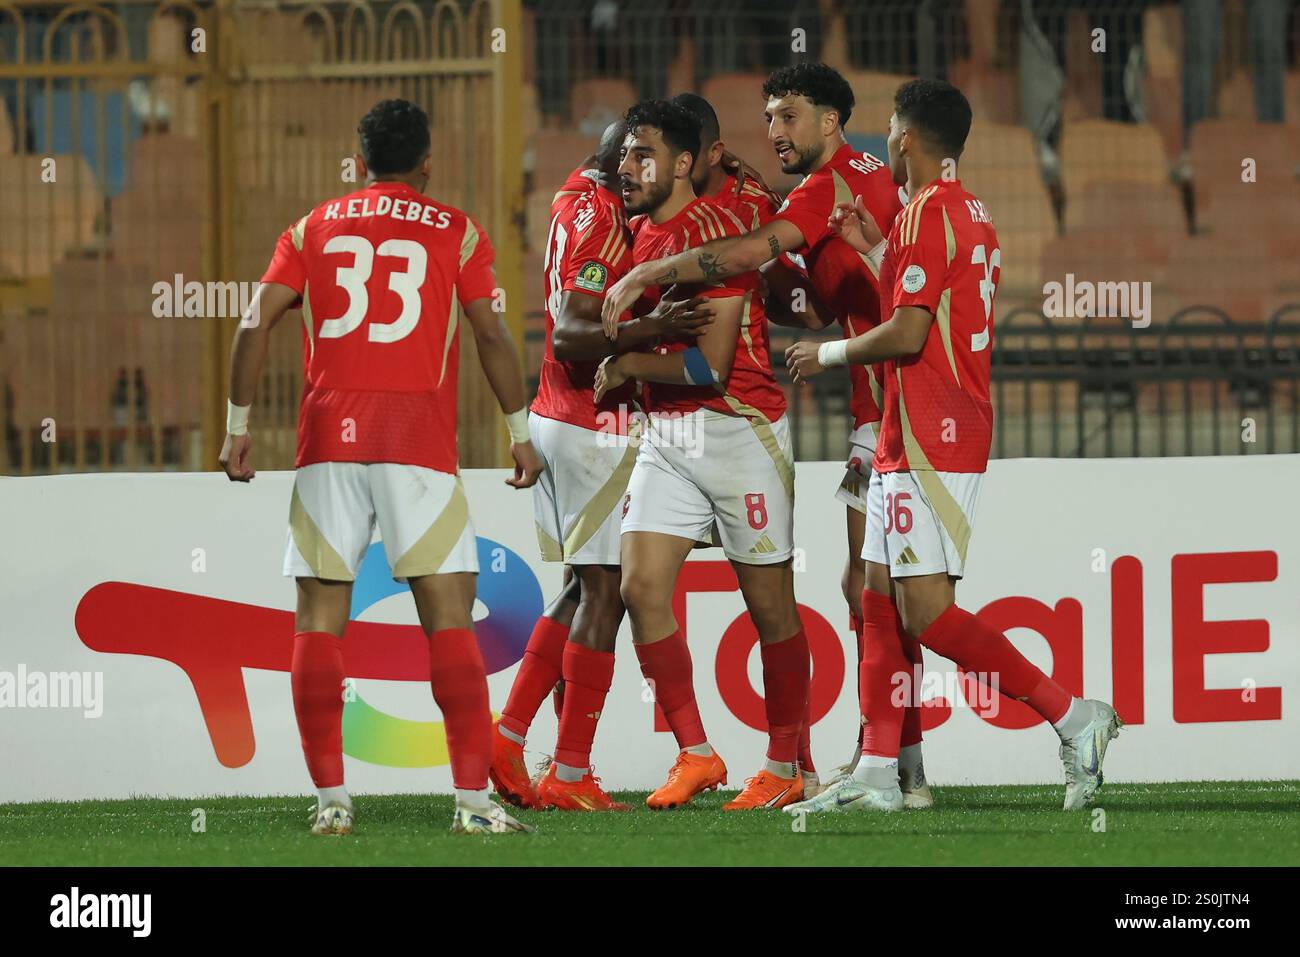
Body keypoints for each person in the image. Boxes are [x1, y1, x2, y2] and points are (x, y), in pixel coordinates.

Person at [783, 78, 1121, 814]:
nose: (885, 139)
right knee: (876, 597)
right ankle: (879, 772)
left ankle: (1073, 716)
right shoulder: (968, 211)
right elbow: (931, 302)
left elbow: (908, 332)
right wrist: (875, 245)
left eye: (890, 128)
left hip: (931, 432)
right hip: (917, 428)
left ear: (905, 138)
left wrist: (827, 354)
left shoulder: (924, 212)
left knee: (927, 615)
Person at [219, 99, 540, 836]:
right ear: (427, 161)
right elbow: (491, 333)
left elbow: (252, 321)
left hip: (327, 440)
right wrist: (519, 433)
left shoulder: (311, 227)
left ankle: (332, 803)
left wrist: (238, 428)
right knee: (449, 617)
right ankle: (472, 805)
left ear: (359, 161)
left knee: (318, 621)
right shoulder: (457, 231)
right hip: (416, 441)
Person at [491, 121, 713, 811]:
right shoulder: (602, 219)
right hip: (592, 426)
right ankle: (568, 770)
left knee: (580, 589)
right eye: (634, 159)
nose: (640, 172)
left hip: (564, 419)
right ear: (616, 161)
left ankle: (509, 736)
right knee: (606, 593)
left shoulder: (572, 197)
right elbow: (570, 332)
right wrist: (655, 328)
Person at [595, 99, 810, 811]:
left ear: (684, 163)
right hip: (669, 437)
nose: (628, 166)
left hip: (738, 432)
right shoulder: (639, 232)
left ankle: (784, 764)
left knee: (770, 610)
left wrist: (627, 365)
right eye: (625, 154)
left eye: (644, 154)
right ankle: (697, 753)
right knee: (639, 588)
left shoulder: (711, 233)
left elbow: (709, 367)